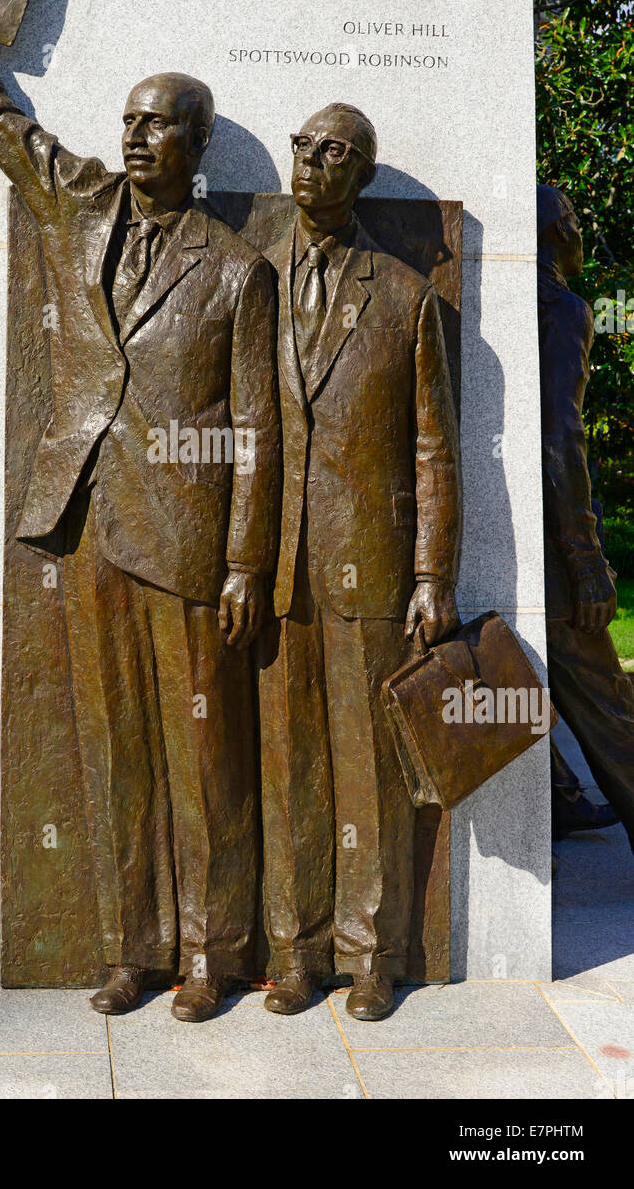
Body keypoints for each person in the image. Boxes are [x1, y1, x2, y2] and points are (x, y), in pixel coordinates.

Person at [0, 0, 281, 1021]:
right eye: (127, 116)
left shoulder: (240, 272)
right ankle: (136, 946)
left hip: (186, 536)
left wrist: (246, 560)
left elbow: (255, 426)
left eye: (158, 119)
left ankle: (216, 950)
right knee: (116, 749)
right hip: (85, 521)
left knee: (205, 753)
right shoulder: (77, 201)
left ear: (199, 142)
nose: (134, 131)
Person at [257, 103, 462, 1020]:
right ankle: (292, 949)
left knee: (367, 770)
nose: (309, 161)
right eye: (301, 147)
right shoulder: (250, 282)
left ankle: (371, 950)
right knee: (286, 761)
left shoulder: (405, 294)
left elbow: (435, 449)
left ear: (361, 174)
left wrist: (432, 576)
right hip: (274, 567)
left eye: (331, 152)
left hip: (370, 564)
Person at [538, 183, 634, 855]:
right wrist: (585, 559)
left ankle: (558, 798)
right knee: (608, 708)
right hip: (549, 553)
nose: (578, 229)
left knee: (508, 684)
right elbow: (560, 438)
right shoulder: (563, 309)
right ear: (552, 233)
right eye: (570, 218)